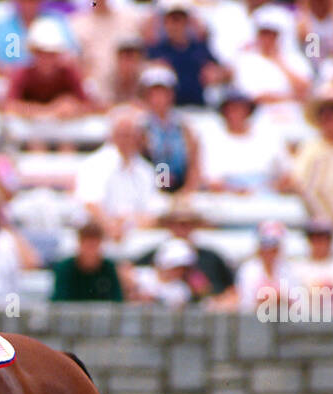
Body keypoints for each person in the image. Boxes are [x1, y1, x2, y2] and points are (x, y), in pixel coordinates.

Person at [72, 105, 168, 238]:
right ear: (112, 135)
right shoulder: (94, 164)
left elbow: (154, 211)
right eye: (123, 134)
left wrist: (128, 224)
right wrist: (111, 226)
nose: (128, 140)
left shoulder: (146, 170)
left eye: (132, 134)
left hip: (137, 237)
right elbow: (90, 203)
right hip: (100, 238)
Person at [199, 87, 290, 192]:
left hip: (265, 192)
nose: (236, 113)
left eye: (241, 108)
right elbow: (209, 179)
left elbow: (286, 173)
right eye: (231, 108)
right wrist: (233, 190)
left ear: (249, 110)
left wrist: (266, 188)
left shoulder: (269, 135)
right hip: (226, 195)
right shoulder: (211, 138)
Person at [4, 18, 93, 121]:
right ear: (33, 53)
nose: (46, 59)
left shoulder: (69, 72)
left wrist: (72, 107)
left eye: (51, 54)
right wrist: (50, 110)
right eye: (41, 53)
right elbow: (9, 106)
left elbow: (88, 106)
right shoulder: (22, 73)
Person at [144, 0, 222, 107]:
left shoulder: (199, 48)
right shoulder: (156, 51)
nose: (175, 25)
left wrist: (216, 75)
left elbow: (219, 71)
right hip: (170, 111)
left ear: (186, 22)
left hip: (199, 107)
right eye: (171, 20)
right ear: (165, 23)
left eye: (179, 20)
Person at [139, 63, 199, 193]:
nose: (158, 99)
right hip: (150, 188)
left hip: (180, 186)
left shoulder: (183, 126)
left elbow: (194, 163)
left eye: (163, 93)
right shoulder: (141, 127)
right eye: (154, 94)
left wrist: (187, 191)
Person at [50, 220, 123, 301]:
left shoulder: (109, 268)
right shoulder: (64, 268)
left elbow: (117, 301)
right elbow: (58, 302)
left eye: (94, 246)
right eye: (87, 245)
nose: (90, 251)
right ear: (80, 244)